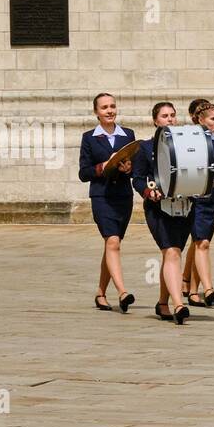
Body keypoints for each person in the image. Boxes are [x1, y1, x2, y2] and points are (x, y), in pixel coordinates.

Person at [131, 100, 191, 323]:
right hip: (158, 208)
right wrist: (148, 191)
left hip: (184, 206)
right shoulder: (145, 148)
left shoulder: (185, 144)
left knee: (171, 254)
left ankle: (163, 303)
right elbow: (137, 179)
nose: (170, 119)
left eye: (173, 115)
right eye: (165, 116)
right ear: (155, 121)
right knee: (172, 251)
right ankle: (179, 305)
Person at [77, 92, 136, 313]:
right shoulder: (89, 137)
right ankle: (122, 292)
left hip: (123, 196)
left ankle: (101, 292)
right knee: (112, 242)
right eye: (104, 108)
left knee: (112, 244)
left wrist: (128, 169)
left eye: (112, 106)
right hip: (102, 196)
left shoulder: (127, 135)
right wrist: (103, 166)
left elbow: (135, 166)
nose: (109, 110)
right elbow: (83, 173)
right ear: (96, 112)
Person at [182, 99, 214, 307]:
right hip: (196, 198)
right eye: (213, 119)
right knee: (202, 243)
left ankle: (192, 290)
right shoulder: (189, 139)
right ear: (200, 120)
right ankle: (208, 288)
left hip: (213, 198)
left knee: (202, 242)